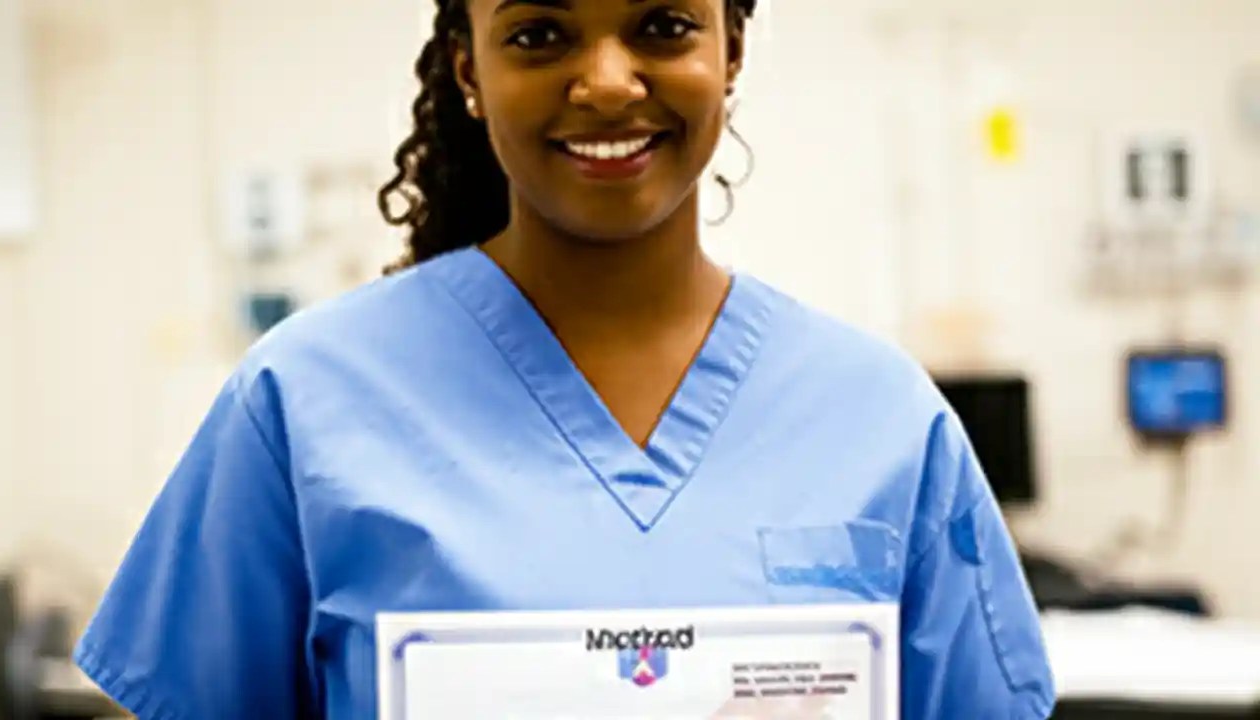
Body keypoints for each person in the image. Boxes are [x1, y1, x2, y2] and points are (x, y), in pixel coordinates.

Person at [74, 0, 1057, 717]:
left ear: (731, 49)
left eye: (663, 26)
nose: (606, 80)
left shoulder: (880, 417)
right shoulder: (304, 401)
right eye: (539, 33)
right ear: (468, 68)